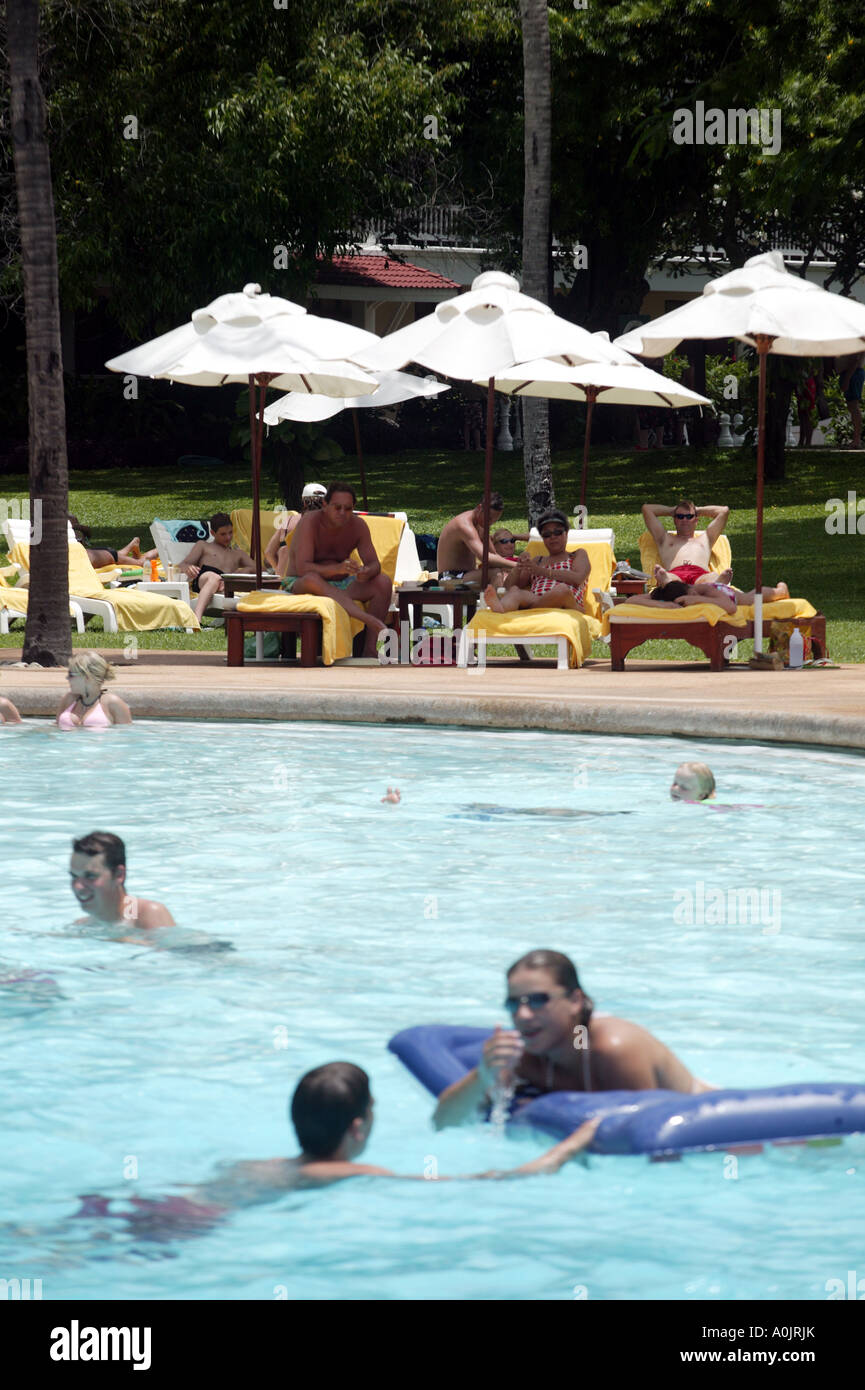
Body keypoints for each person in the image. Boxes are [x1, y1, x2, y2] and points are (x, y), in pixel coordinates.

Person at [72, 1063, 600, 1240]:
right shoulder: (342, 1172)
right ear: (357, 1126)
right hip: (181, 1226)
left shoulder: (258, 1164)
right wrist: (558, 1155)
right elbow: (473, 1182)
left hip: (159, 1202)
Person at [433, 950, 712, 1128]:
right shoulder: (525, 1056)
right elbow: (443, 1123)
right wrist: (482, 1075)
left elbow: (645, 1134)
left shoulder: (613, 1049)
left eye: (538, 1001)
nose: (523, 1014)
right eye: (513, 1004)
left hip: (714, 1121)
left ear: (575, 1000)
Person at [280, 482, 392, 656]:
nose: (342, 513)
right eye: (337, 507)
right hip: (302, 583)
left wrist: (366, 572)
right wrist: (337, 569)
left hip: (340, 584)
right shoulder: (310, 522)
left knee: (383, 582)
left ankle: (369, 649)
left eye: (347, 509)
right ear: (325, 505)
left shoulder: (358, 526)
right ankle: (369, 620)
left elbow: (374, 564)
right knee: (312, 579)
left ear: (353, 507)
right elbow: (303, 568)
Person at [483, 509, 589, 614]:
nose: (553, 537)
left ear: (566, 533)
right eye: (547, 534)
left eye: (557, 532)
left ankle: (526, 610)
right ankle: (501, 609)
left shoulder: (577, 555)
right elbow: (508, 587)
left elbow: (578, 579)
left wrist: (541, 571)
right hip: (537, 599)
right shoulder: (538, 560)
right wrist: (519, 566)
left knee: (562, 590)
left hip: (569, 604)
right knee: (515, 591)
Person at [69, 831, 175, 930]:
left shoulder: (147, 913)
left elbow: (179, 949)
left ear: (119, 875)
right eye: (74, 876)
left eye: (90, 876)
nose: (78, 886)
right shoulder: (84, 925)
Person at [176, 513, 257, 621]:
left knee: (230, 576)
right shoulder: (204, 546)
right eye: (223, 534)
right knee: (214, 578)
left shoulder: (238, 554)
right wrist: (188, 568)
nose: (228, 537)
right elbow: (182, 564)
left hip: (226, 584)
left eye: (230, 532)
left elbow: (261, 570)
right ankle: (196, 618)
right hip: (205, 578)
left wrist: (246, 570)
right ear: (212, 533)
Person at [641, 498, 731, 587]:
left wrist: (697, 510)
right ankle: (667, 582)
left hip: (700, 574)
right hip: (675, 573)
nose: (684, 520)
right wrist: (672, 510)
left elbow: (724, 511)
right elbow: (647, 509)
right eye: (680, 516)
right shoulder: (664, 538)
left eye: (689, 516)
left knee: (712, 576)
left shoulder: (706, 538)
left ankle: (717, 582)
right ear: (674, 519)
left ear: (696, 520)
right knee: (670, 579)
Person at [436, 494, 522, 582]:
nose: (490, 523)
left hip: (468, 574)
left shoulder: (481, 524)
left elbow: (493, 554)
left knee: (504, 574)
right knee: (496, 574)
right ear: (479, 508)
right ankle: (498, 596)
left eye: (494, 521)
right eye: (489, 519)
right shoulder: (464, 526)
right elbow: (484, 557)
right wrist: (517, 565)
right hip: (449, 577)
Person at [624, 575, 790, 616]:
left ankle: (780, 591)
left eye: (691, 592)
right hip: (670, 597)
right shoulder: (665, 595)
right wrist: (664, 605)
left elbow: (731, 608)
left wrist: (696, 598)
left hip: (727, 595)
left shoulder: (702, 589)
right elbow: (632, 599)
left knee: (750, 597)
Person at [57, 651, 132, 729]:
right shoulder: (69, 699)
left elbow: (126, 735)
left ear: (87, 677)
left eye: (71, 675)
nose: (67, 678)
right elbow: (56, 729)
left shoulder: (113, 703)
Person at [263, 483, 327, 573]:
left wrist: (279, 571)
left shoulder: (288, 521)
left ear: (304, 501)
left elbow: (269, 552)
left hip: (285, 583)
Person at [68, 515, 158, 570]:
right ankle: (133, 545)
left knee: (141, 563)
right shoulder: (74, 548)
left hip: (107, 555)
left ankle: (159, 549)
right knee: (120, 555)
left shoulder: (73, 550)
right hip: (104, 553)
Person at [838, 352, 865, 448]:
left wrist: (847, 378)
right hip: (850, 373)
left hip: (853, 373)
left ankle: (857, 440)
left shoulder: (859, 338)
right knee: (851, 406)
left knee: (854, 406)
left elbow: (856, 359)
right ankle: (856, 440)